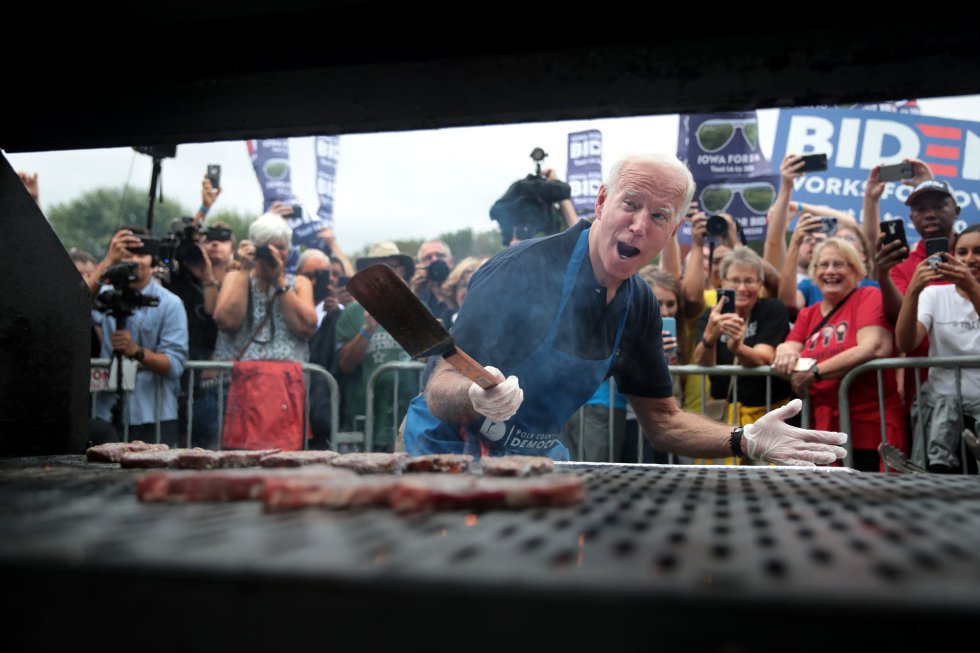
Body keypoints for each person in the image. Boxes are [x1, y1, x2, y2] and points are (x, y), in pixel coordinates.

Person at [404, 153, 848, 466]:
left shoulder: (640, 306)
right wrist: (475, 396)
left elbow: (664, 422)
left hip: (530, 461)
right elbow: (440, 382)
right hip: (445, 452)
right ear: (601, 203)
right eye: (630, 204)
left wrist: (743, 438)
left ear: (673, 230)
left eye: (659, 216)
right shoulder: (521, 268)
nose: (639, 226)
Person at [772, 238, 905, 471]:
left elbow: (873, 346)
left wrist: (815, 372)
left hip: (870, 426)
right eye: (823, 265)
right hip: (822, 428)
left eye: (839, 264)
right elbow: (791, 346)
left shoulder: (868, 296)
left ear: (857, 270)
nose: (830, 271)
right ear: (814, 272)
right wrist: (784, 350)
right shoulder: (808, 314)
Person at [88, 227, 189, 445]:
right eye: (128, 254)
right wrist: (107, 263)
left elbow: (174, 365)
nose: (134, 261)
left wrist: (136, 352)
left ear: (152, 262)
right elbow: (73, 304)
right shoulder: (105, 296)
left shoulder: (170, 303)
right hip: (106, 412)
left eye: (141, 255)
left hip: (153, 414)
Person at [895, 224, 980, 472]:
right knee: (939, 486)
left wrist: (972, 287)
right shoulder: (935, 294)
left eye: (978, 251)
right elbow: (906, 342)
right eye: (962, 252)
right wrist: (913, 290)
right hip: (941, 411)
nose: (969, 259)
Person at [694, 246, 793, 427]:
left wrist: (737, 348)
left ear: (760, 284)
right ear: (722, 282)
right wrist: (710, 339)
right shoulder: (711, 315)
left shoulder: (772, 309)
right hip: (724, 417)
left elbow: (764, 357)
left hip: (766, 414)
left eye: (749, 281)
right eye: (735, 280)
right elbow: (703, 364)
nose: (742, 288)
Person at [335, 241, 420, 451]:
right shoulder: (353, 312)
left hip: (408, 421)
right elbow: (344, 365)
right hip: (366, 419)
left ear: (404, 272)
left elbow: (431, 360)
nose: (386, 273)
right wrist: (367, 329)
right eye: (378, 266)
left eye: (392, 265)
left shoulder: (418, 310)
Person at [411, 240, 455, 324]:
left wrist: (445, 296)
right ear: (420, 264)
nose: (434, 259)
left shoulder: (463, 287)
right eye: (428, 258)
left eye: (440, 255)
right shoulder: (418, 290)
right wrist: (414, 292)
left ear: (451, 261)